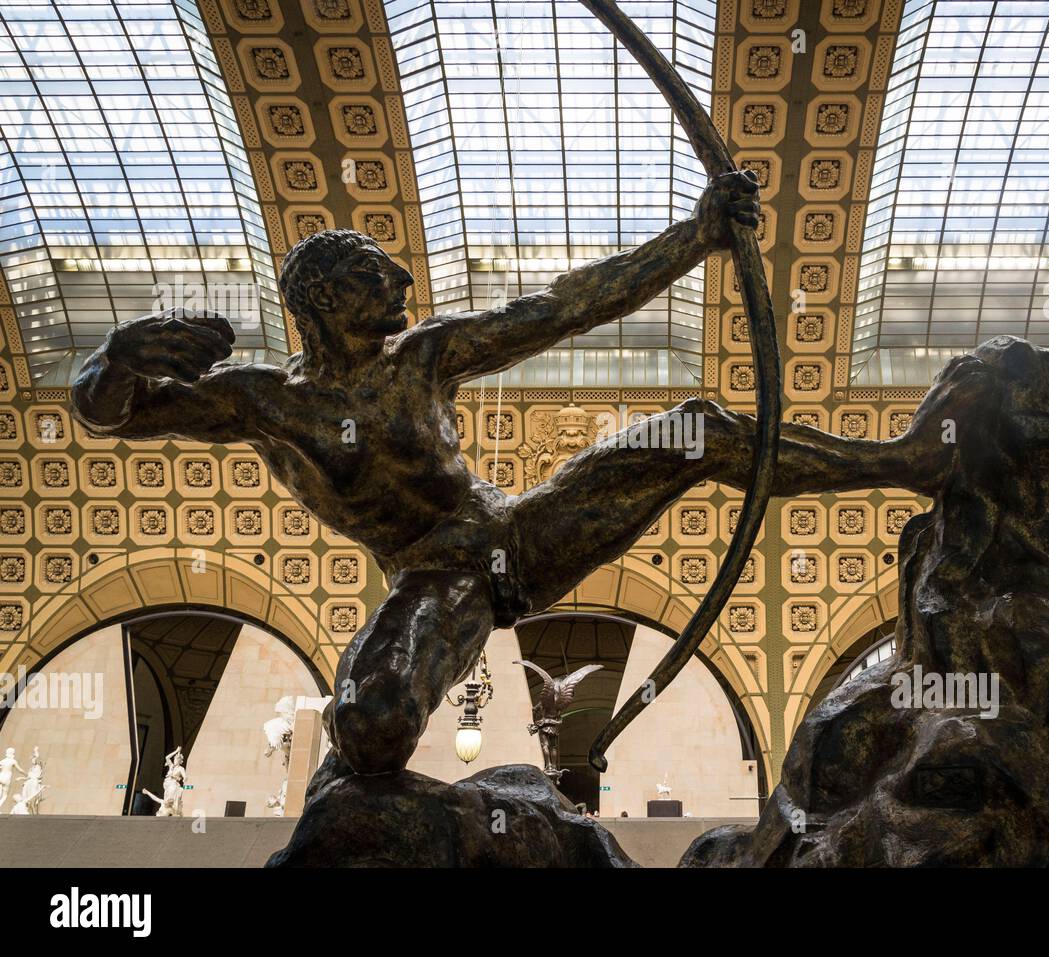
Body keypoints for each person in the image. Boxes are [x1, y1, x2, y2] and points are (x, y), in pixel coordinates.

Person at [72, 169, 952, 786]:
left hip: (520, 534)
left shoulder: (424, 354)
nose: (404, 276)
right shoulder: (260, 401)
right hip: (436, 579)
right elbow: (113, 412)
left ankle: (903, 463)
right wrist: (113, 357)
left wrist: (697, 237)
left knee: (699, 430)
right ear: (331, 298)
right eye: (378, 270)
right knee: (372, 724)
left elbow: (566, 306)